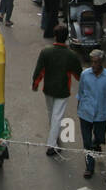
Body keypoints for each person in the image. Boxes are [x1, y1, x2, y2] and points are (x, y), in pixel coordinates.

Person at [32, 25, 83, 157]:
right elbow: (78, 75)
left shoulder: (46, 52)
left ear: (55, 36)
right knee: (57, 116)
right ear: (66, 37)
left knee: (52, 113)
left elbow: (39, 70)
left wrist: (35, 83)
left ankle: (53, 136)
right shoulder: (71, 55)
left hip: (48, 88)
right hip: (62, 90)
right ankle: (51, 144)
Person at [77, 50, 106, 179]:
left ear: (101, 63)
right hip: (85, 113)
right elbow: (81, 92)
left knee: (99, 138)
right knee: (87, 143)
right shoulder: (85, 75)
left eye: (97, 62)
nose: (94, 65)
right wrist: (79, 108)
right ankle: (89, 167)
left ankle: (97, 144)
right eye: (92, 62)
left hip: (101, 114)